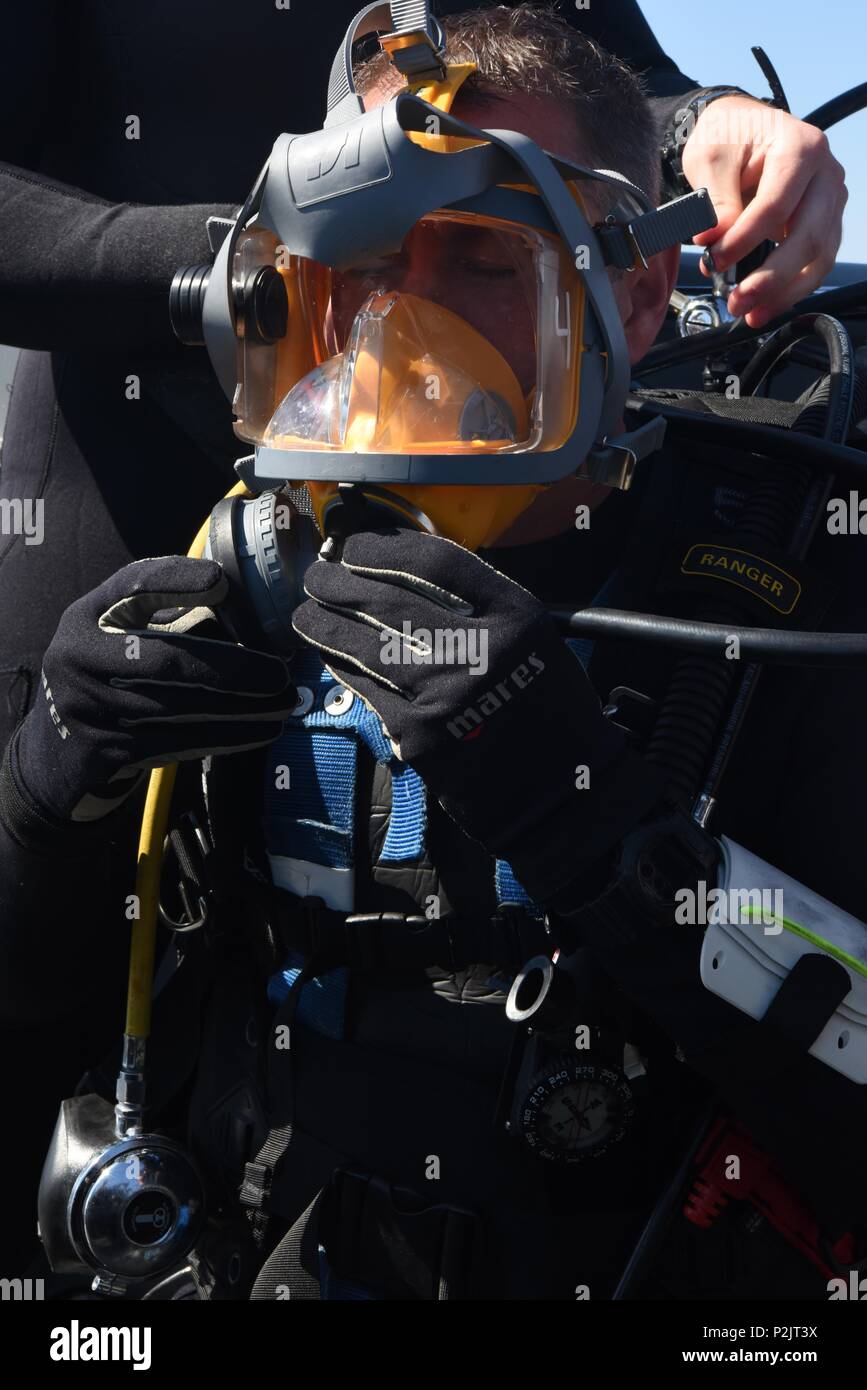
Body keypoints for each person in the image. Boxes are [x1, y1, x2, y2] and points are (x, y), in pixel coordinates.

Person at [2, 4, 861, 1299]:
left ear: (635, 285)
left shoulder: (785, 598)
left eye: (475, 256)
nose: (401, 337)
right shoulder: (243, 574)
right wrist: (44, 798)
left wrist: (610, 835)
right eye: (359, 270)